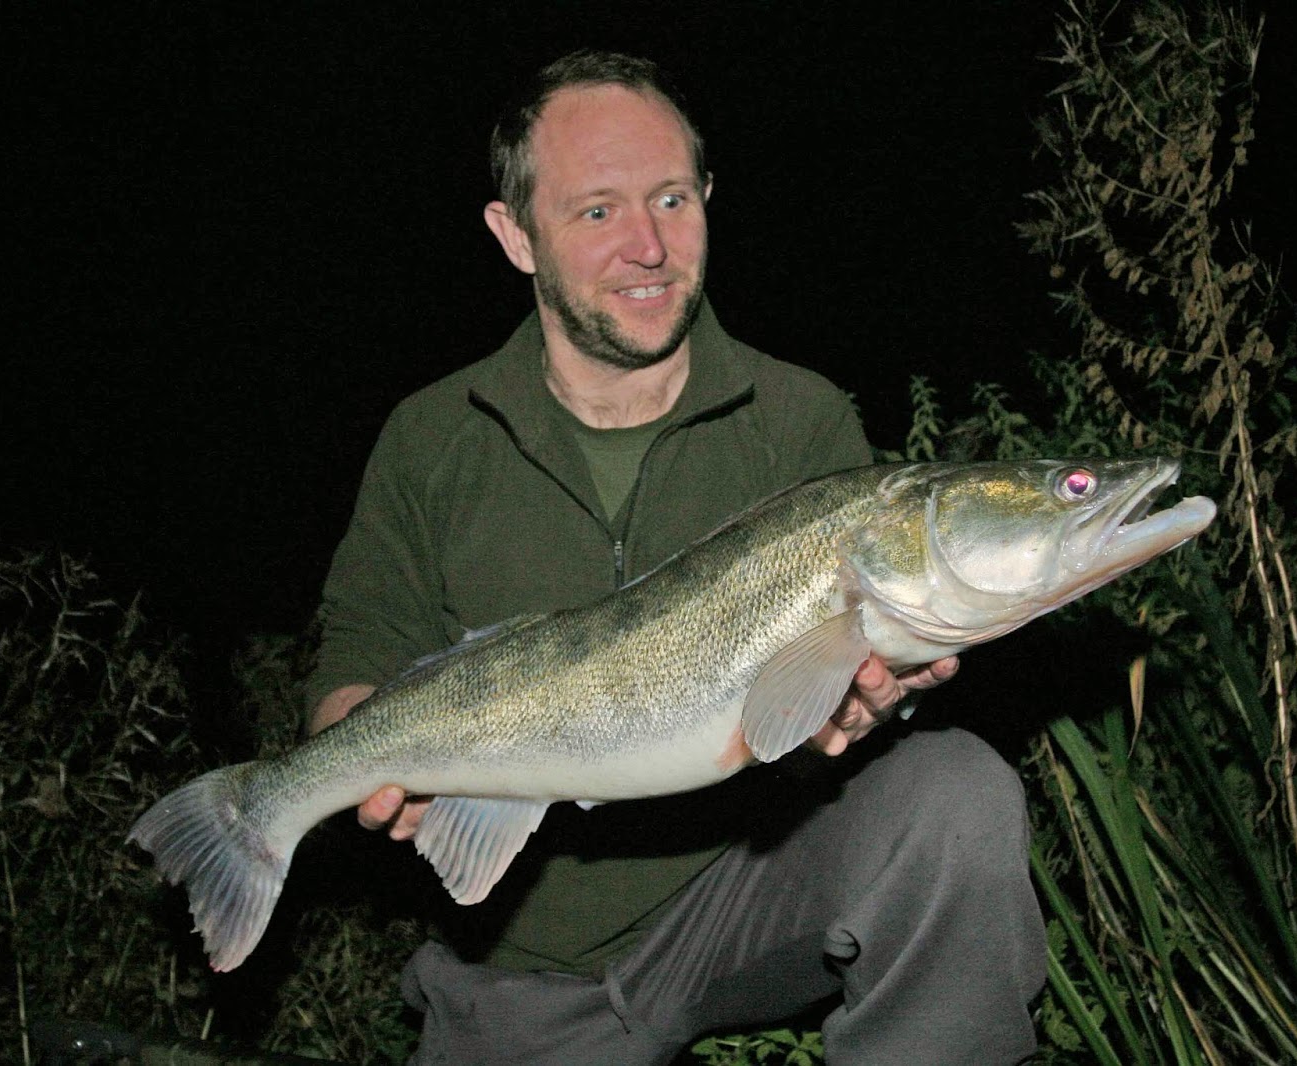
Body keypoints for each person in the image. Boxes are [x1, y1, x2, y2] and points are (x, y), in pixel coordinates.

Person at [306, 50, 1045, 1064]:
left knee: (954, 792)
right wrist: (349, 747)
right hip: (524, 959)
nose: (648, 247)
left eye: (669, 198)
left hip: (741, 888)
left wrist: (876, 702)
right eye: (596, 212)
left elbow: (849, 681)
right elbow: (363, 638)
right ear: (515, 235)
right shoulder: (433, 438)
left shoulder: (797, 419)